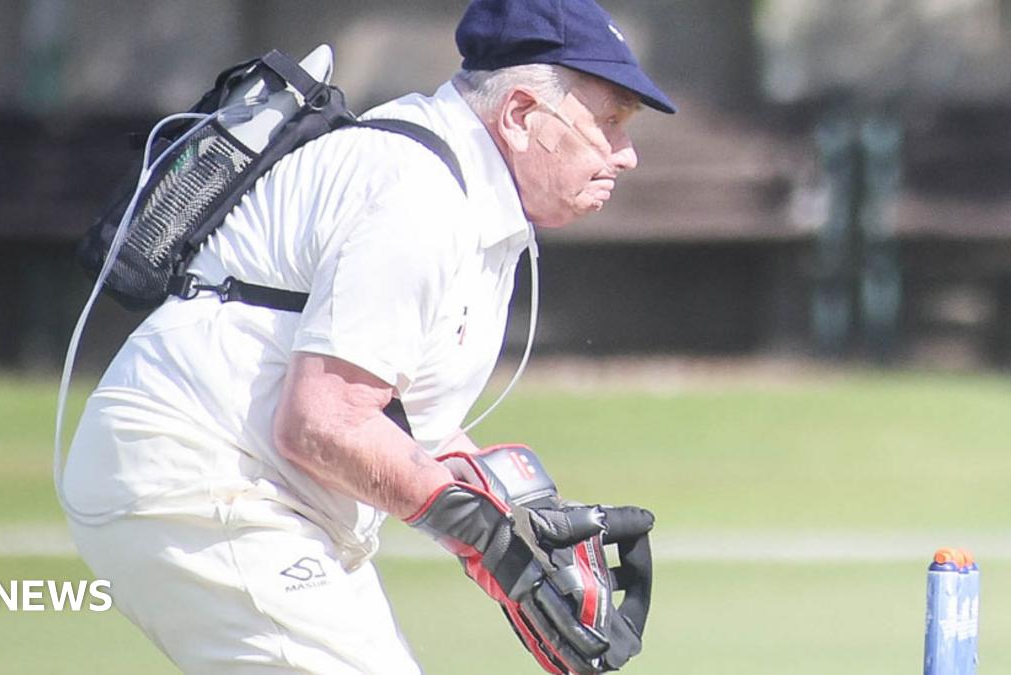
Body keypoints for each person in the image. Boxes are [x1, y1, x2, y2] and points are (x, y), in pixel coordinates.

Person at [60, 0, 675, 672]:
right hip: (206, 484)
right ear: (521, 114)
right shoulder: (419, 194)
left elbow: (399, 420)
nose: (628, 154)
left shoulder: (464, 192)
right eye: (610, 122)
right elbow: (324, 423)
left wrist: (516, 520)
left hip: (240, 493)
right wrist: (489, 539)